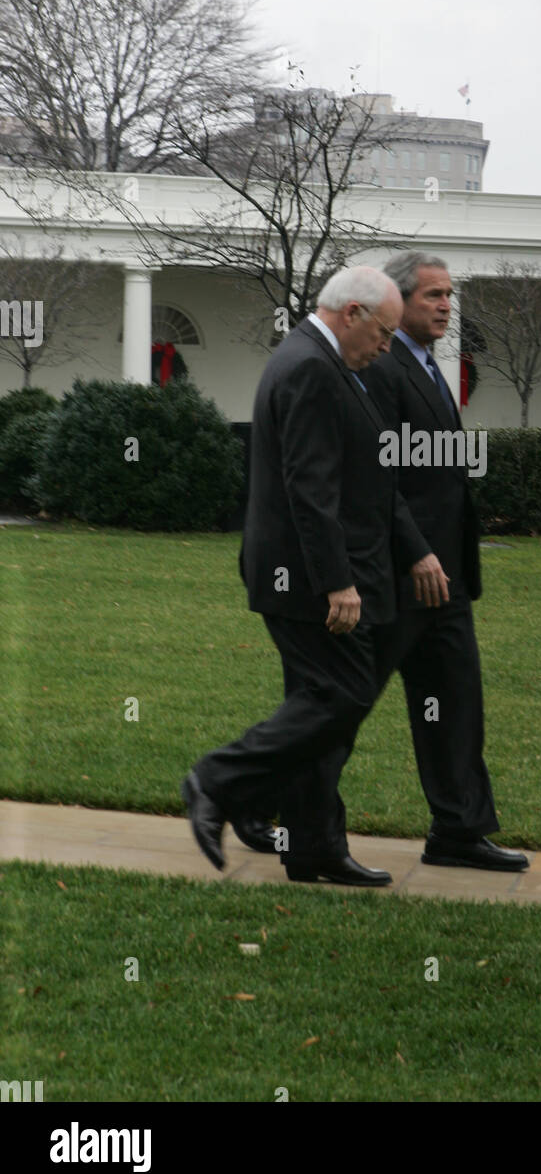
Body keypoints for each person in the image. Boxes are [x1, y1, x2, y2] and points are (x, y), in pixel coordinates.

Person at [236, 251, 528, 873]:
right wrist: (413, 550)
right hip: (392, 574)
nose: (447, 305)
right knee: (339, 703)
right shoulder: (371, 364)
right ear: (389, 304)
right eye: (432, 296)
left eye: (450, 294)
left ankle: (459, 829)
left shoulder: (426, 367)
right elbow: (372, 479)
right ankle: (255, 798)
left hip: (443, 578)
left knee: (454, 702)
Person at [181, 265, 449, 886]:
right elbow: (310, 488)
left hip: (311, 574)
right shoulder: (309, 367)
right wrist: (338, 581)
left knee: (326, 702)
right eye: (382, 333)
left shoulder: (328, 365)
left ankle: (312, 846)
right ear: (350, 314)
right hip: (302, 581)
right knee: (343, 696)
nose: (386, 347)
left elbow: (360, 477)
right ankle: (218, 781)